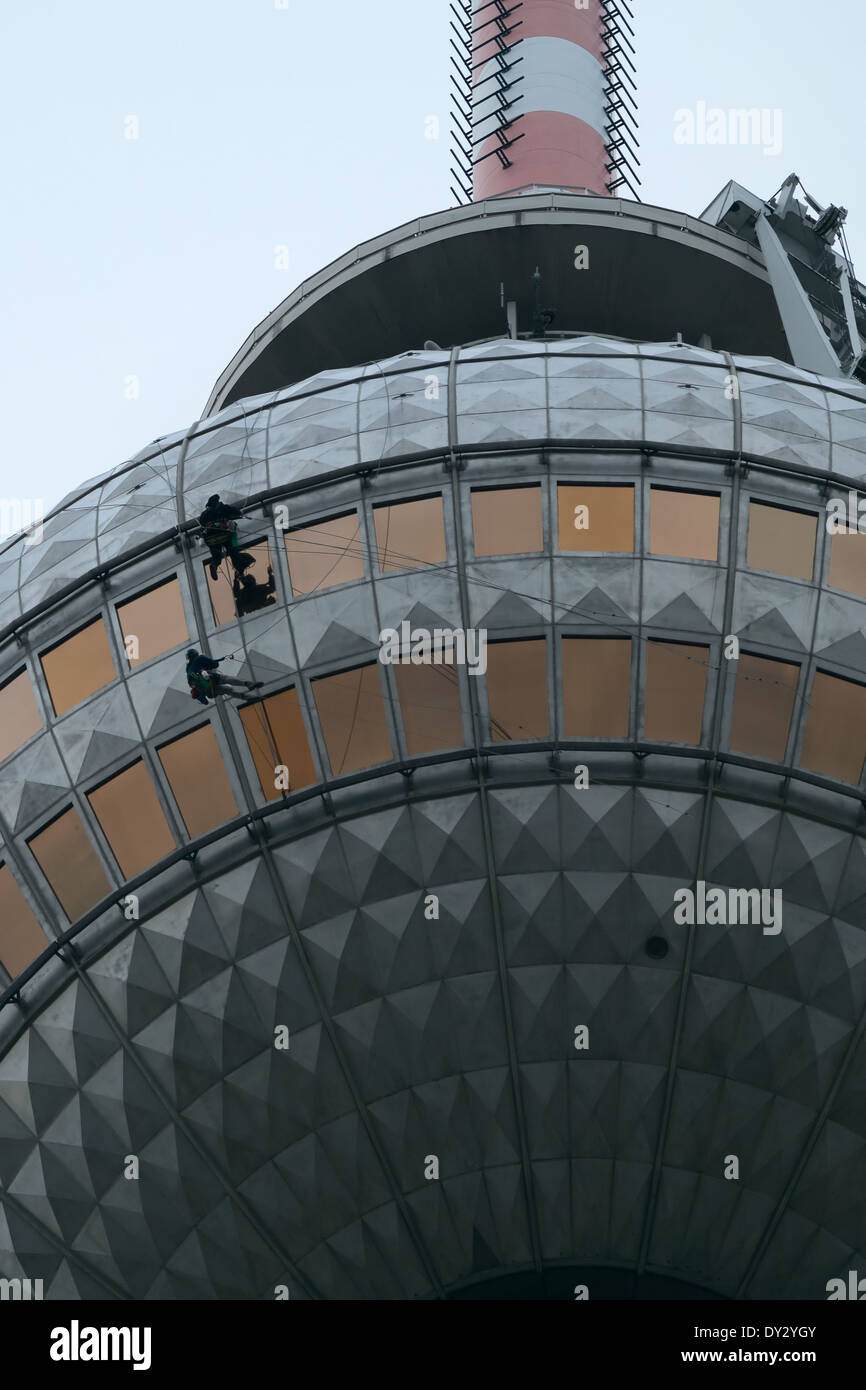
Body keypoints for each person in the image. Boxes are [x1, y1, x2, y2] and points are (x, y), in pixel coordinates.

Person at [186, 648, 263, 705]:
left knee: (228, 690)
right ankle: (248, 684)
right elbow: (214, 664)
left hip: (208, 690)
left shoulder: (189, 670)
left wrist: (222, 658)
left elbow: (197, 674)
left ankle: (247, 697)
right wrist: (204, 658)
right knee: (227, 679)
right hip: (211, 680)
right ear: (196, 654)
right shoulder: (199, 658)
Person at [199, 494, 243, 579]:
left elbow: (202, 523)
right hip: (225, 535)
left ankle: (214, 565)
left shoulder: (204, 514)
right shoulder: (223, 507)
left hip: (211, 539)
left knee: (216, 556)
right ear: (217, 502)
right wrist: (240, 512)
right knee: (233, 550)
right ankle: (239, 568)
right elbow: (236, 511)